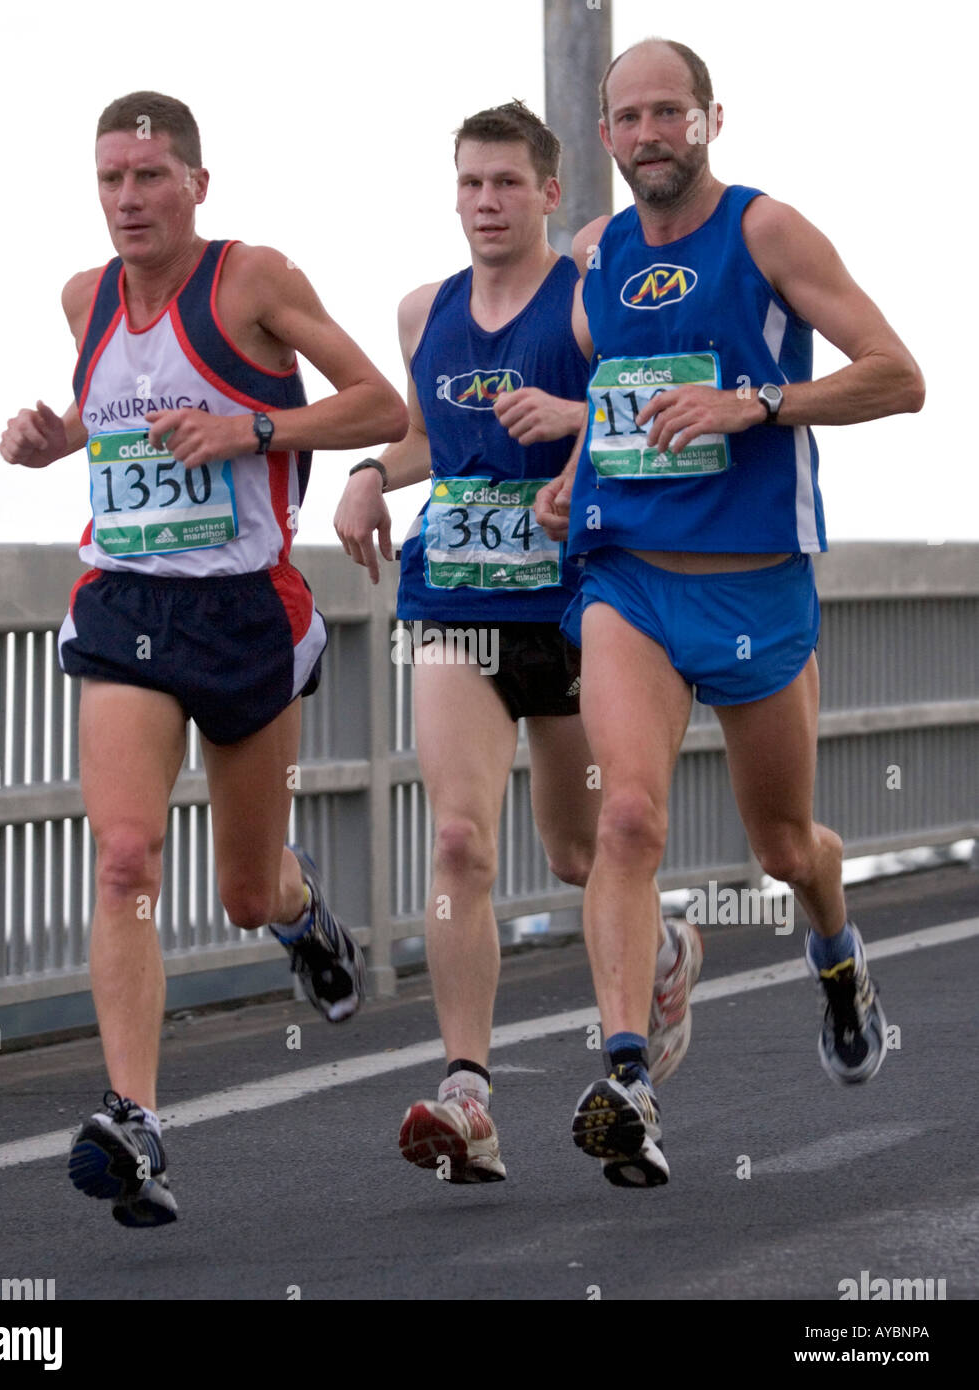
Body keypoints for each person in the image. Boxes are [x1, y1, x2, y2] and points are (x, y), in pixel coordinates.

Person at [0, 91, 407, 1226]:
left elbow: (380, 399)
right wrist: (54, 439)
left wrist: (255, 429)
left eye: (149, 177)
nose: (127, 199)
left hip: (244, 609)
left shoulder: (252, 280)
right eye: (110, 180)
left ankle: (299, 913)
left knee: (240, 889)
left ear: (196, 184)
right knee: (126, 857)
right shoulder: (85, 298)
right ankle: (133, 1116)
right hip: (124, 600)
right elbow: (118, 411)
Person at [535, 40, 925, 1188]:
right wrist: (577, 474)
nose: (651, 134)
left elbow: (899, 374)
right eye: (630, 118)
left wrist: (758, 400)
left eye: (671, 113)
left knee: (783, 846)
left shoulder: (766, 232)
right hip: (629, 579)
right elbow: (619, 401)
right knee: (628, 823)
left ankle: (837, 952)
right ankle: (627, 1073)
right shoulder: (592, 256)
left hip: (753, 585)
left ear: (710, 120)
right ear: (604, 138)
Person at [334, 101, 702, 1183]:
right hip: (454, 602)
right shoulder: (423, 311)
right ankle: (468, 1092)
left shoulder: (588, 304)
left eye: (506, 183)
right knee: (458, 843)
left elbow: (647, 408)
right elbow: (420, 436)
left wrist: (580, 436)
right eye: (469, 184)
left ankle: (667, 946)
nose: (486, 203)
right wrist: (364, 474)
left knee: (581, 853)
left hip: (579, 600)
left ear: (550, 193)